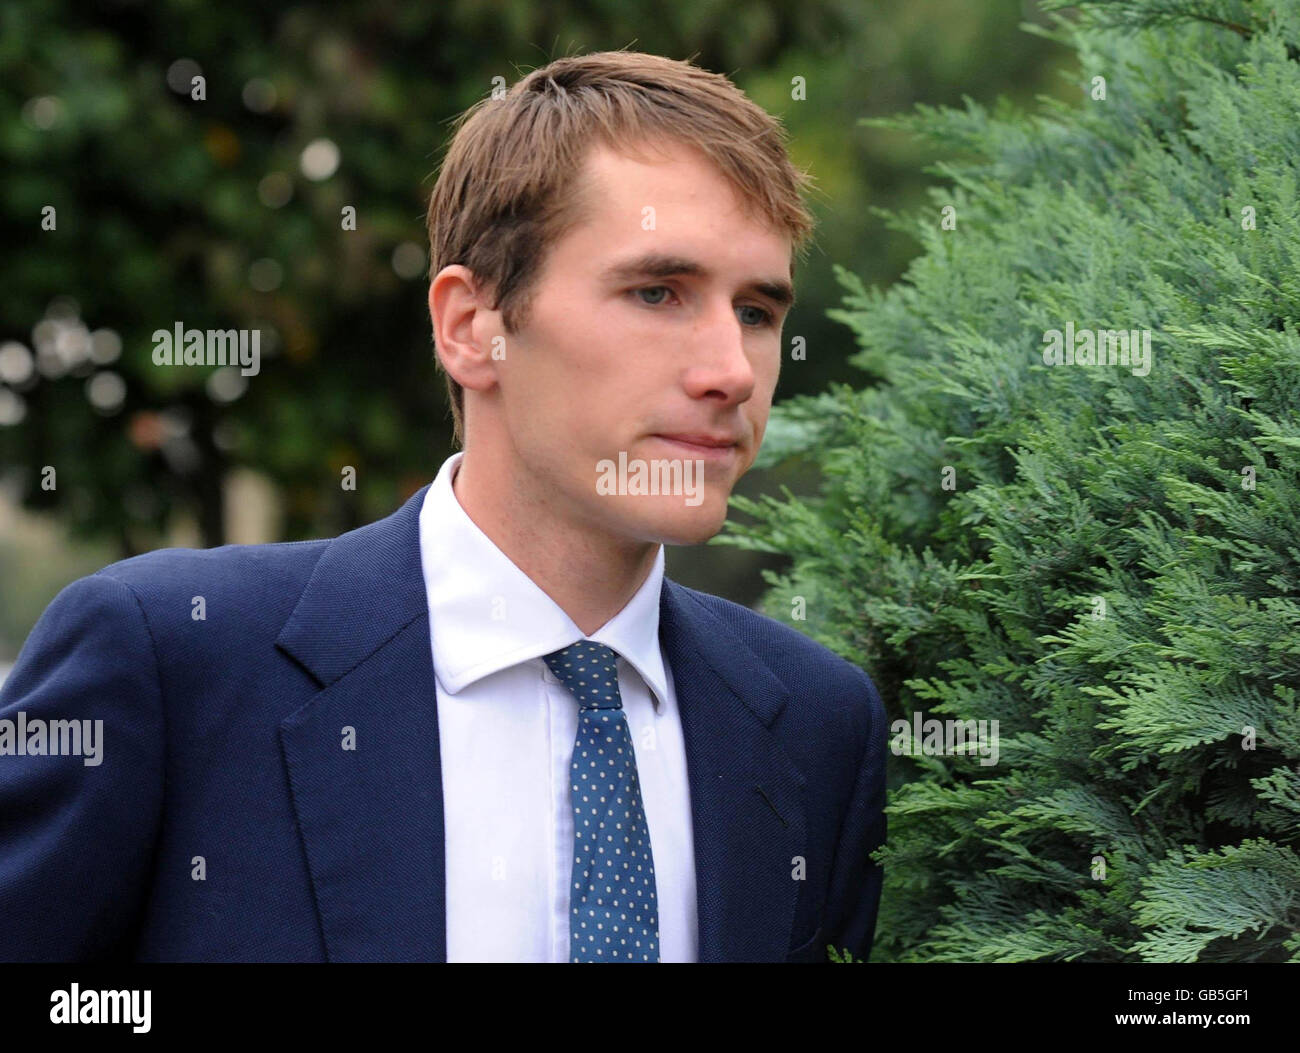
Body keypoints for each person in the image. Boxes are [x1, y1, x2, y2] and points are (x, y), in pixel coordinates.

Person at [0, 50, 886, 963]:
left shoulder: (819, 728)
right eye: (657, 292)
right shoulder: (172, 664)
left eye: (757, 311)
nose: (732, 371)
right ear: (472, 326)